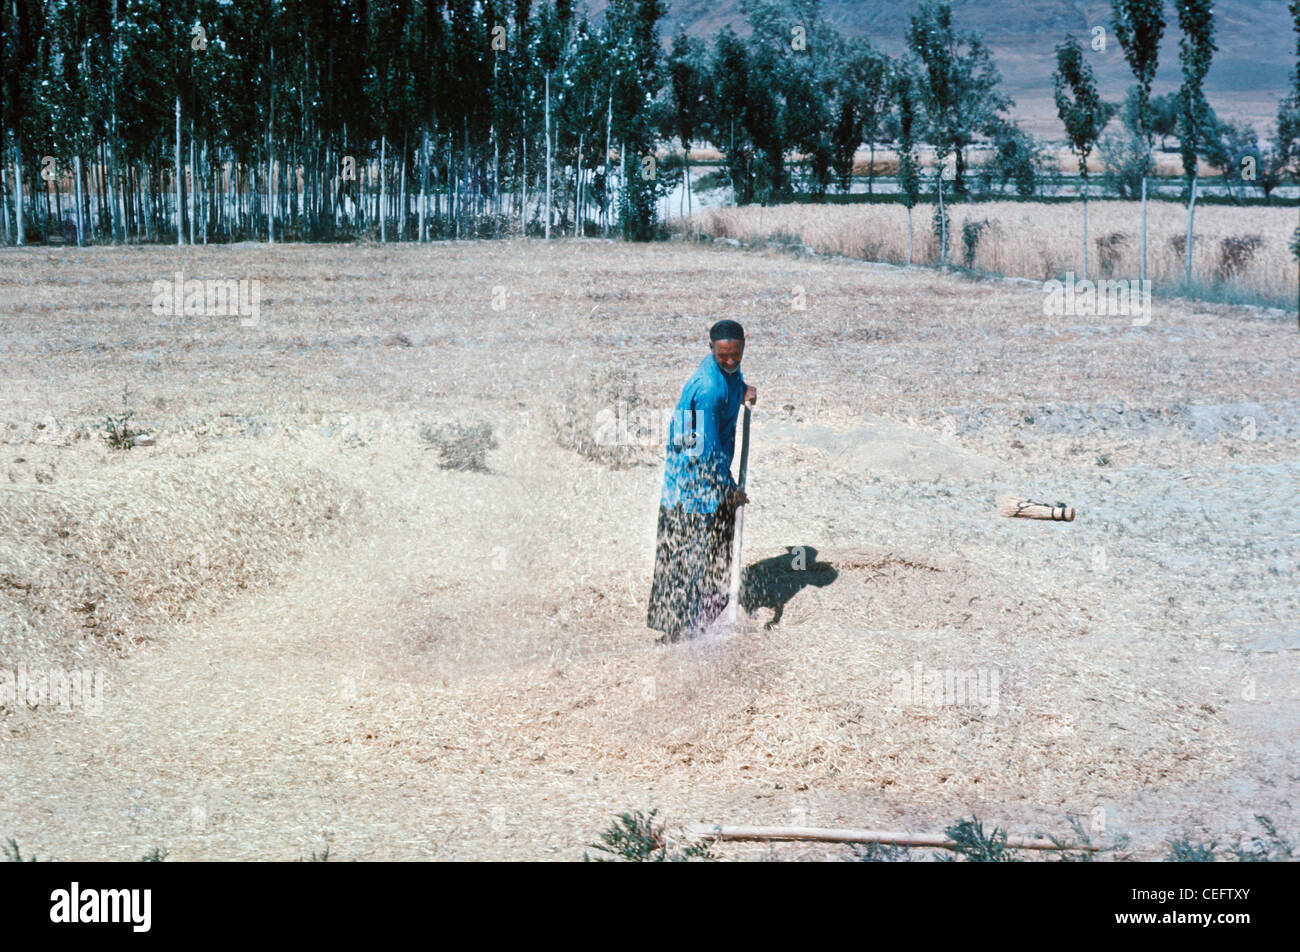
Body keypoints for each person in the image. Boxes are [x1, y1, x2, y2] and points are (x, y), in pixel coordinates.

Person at [647, 319, 757, 642]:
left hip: (711, 483)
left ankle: (708, 618)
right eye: (724, 355)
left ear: (742, 347)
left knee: (713, 554)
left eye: (735, 354)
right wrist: (730, 490)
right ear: (711, 349)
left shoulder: (725, 373)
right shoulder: (707, 388)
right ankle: (677, 634)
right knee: (686, 562)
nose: (730, 360)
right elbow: (705, 453)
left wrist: (742, 392)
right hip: (691, 489)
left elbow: (731, 383)